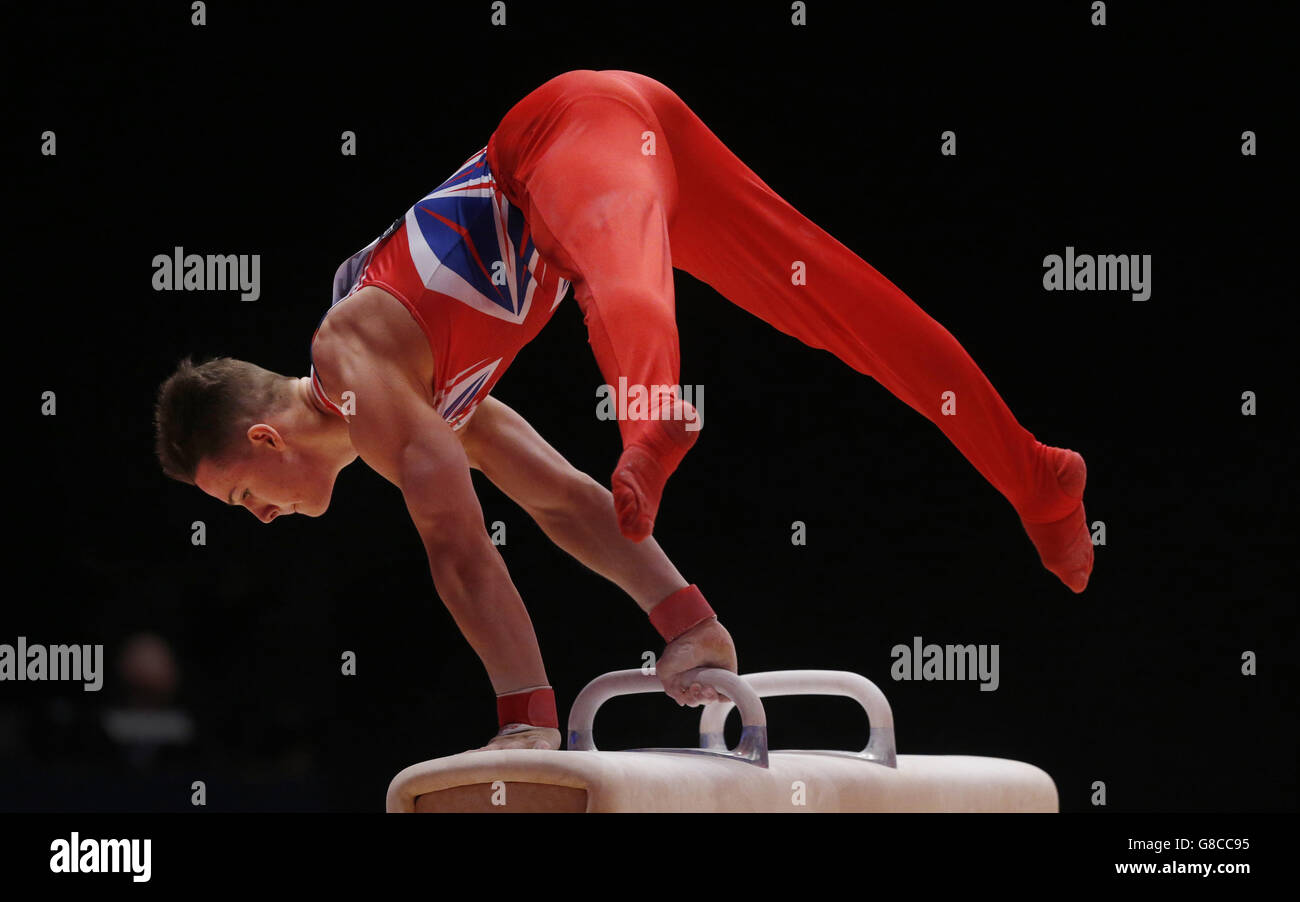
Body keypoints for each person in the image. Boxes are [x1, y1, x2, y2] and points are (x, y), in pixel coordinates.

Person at [153, 69, 1093, 751]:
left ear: (264, 436)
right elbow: (559, 497)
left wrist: (526, 720)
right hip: (641, 140)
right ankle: (1038, 477)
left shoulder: (348, 355)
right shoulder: (408, 397)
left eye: (241, 494)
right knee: (846, 308)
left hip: (562, 135)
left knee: (617, 278)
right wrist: (687, 620)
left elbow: (458, 547)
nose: (260, 517)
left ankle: (650, 417)